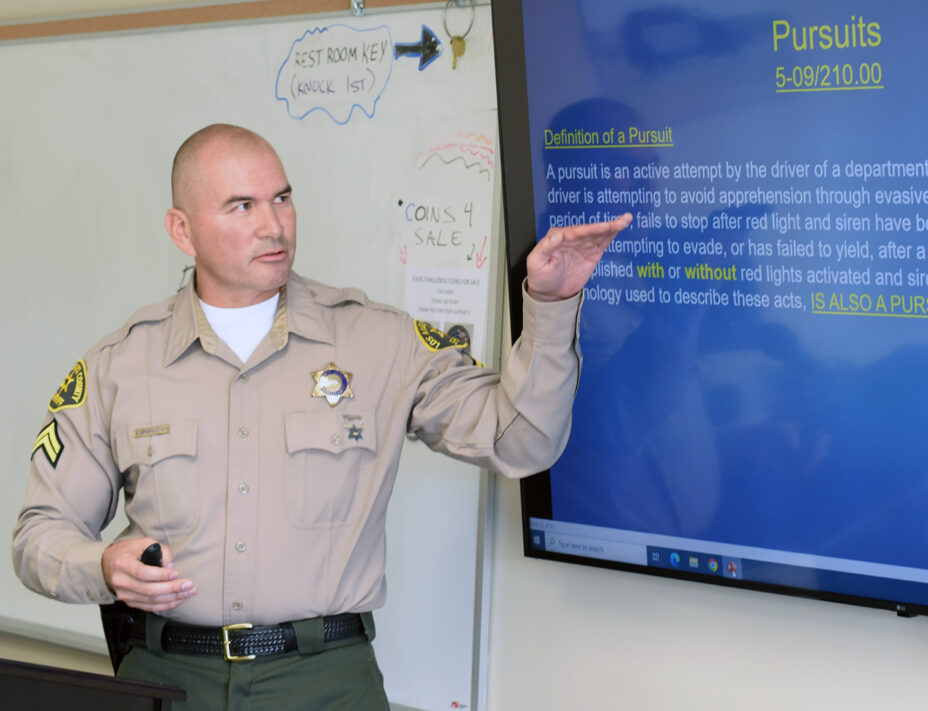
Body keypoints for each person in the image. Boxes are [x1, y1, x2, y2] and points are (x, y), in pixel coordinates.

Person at [13, 123, 631, 709]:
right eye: (241, 206)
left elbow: (521, 443)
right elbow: (39, 536)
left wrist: (550, 304)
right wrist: (102, 566)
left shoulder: (379, 342)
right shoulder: (119, 365)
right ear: (182, 229)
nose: (273, 224)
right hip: (170, 679)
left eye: (281, 198)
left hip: (327, 683)